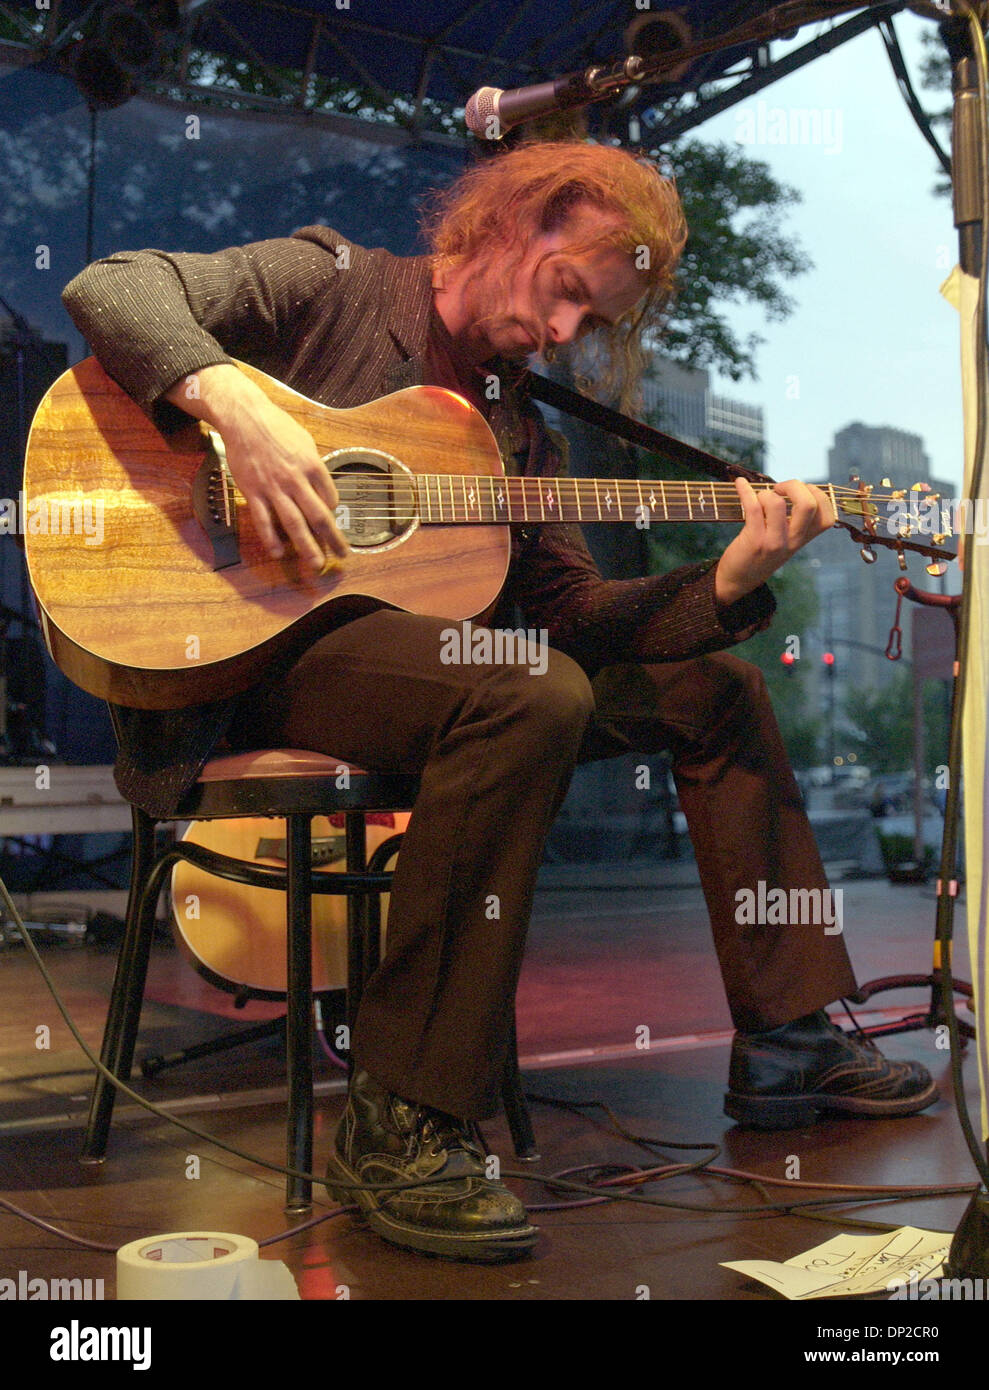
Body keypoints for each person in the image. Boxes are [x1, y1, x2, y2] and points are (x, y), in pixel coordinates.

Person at [61, 140, 937, 1263]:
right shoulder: (332, 282)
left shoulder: (518, 429)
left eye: (594, 321)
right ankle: (403, 1115)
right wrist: (234, 401)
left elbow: (575, 618)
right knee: (524, 693)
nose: (567, 332)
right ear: (516, 220)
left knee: (702, 686)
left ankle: (788, 1037)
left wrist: (726, 582)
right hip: (244, 663)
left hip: (416, 678)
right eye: (568, 290)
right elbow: (115, 286)